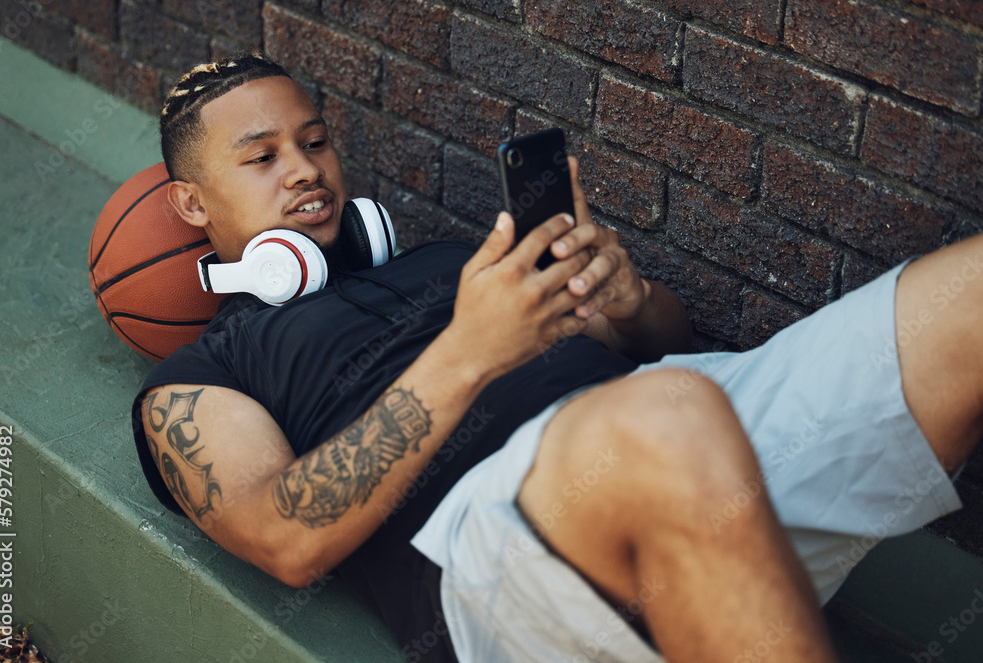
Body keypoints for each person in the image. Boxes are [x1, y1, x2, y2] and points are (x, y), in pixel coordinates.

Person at [131, 52, 972, 663]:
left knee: (964, 294)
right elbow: (282, 538)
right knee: (669, 413)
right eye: (262, 156)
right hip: (499, 551)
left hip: (687, 445)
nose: (305, 170)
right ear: (192, 201)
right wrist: (467, 353)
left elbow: (671, 354)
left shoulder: (444, 260)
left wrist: (629, 303)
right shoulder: (202, 375)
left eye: (314, 142)